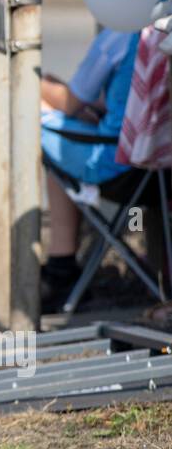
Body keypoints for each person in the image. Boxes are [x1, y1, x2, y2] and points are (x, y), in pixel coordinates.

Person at [40, 28, 140, 313]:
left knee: (32, 115)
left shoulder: (123, 30)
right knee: (63, 136)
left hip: (116, 163)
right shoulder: (161, 29)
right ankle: (62, 265)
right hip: (157, 169)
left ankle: (60, 267)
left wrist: (34, 80)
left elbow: (72, 101)